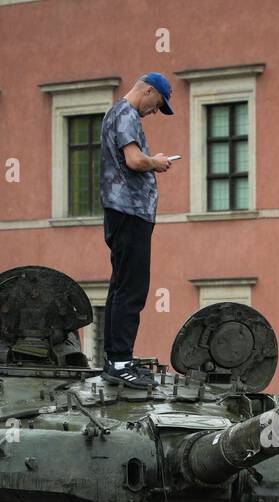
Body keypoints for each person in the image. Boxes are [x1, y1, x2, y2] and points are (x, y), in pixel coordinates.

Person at [99, 72, 175, 389]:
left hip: (125, 213)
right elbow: (133, 160)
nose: (155, 112)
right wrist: (155, 162)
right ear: (147, 91)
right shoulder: (126, 114)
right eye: (157, 105)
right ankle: (120, 362)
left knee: (121, 286)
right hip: (130, 212)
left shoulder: (119, 114)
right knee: (132, 288)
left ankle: (117, 360)